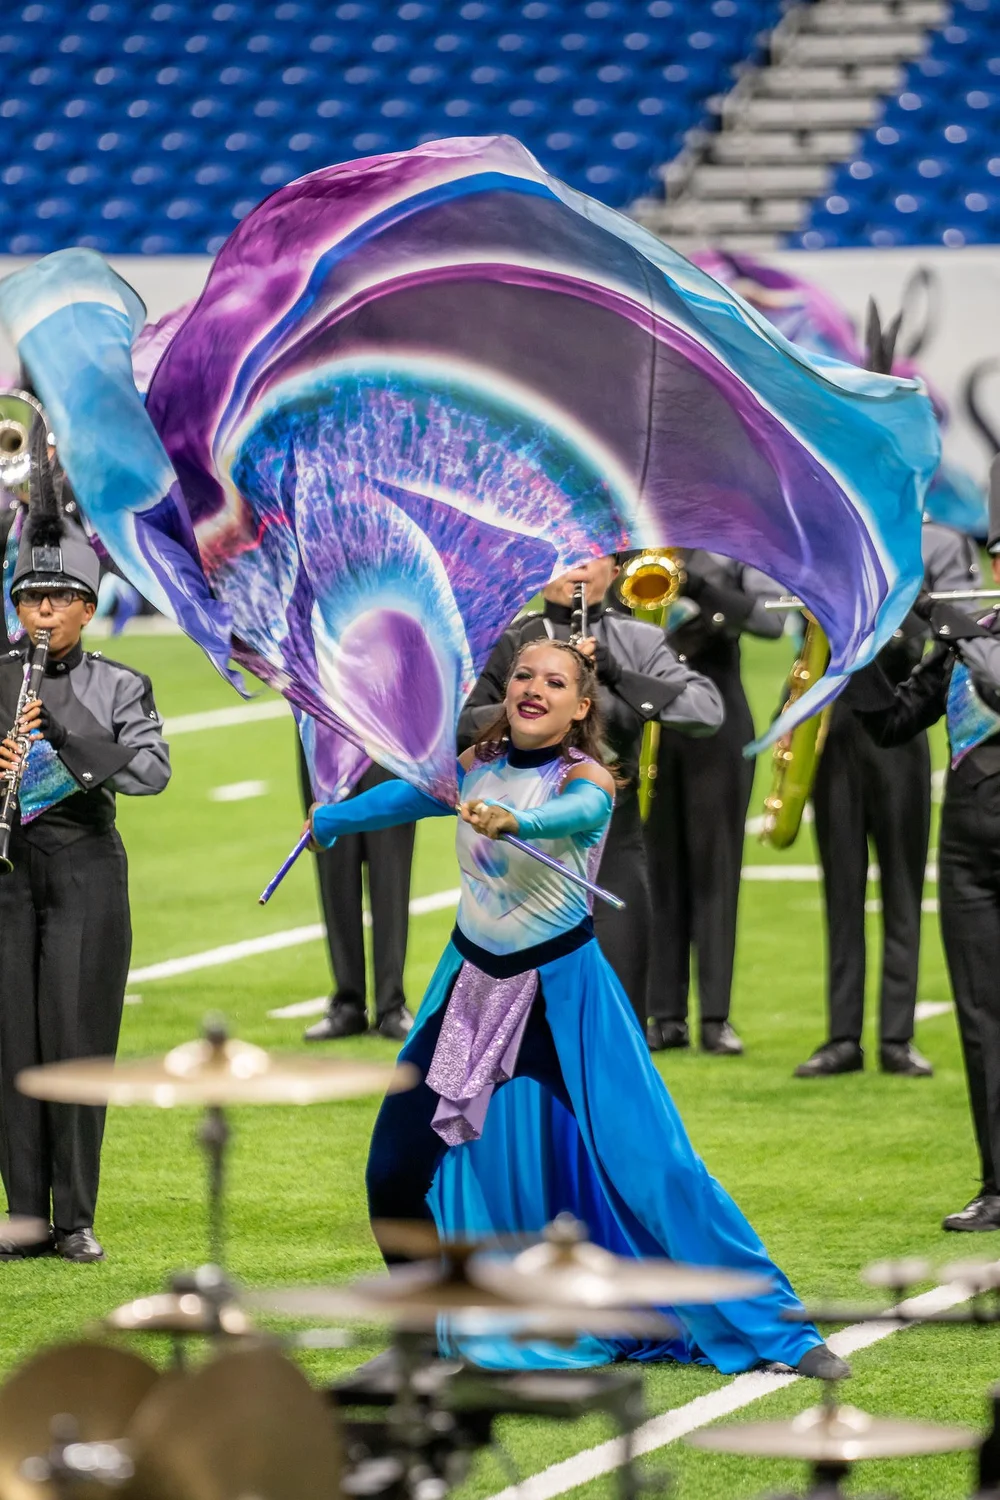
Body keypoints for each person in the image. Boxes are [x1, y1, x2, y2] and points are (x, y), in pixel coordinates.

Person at [309, 637, 846, 1378]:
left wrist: (516, 824)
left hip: (561, 1003)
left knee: (660, 1170)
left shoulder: (587, 776)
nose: (533, 688)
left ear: (580, 707)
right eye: (524, 675)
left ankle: (784, 1331)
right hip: (472, 997)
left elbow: (576, 814)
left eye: (554, 682)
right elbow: (413, 793)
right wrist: (337, 817)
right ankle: (422, 1333)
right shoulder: (477, 765)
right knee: (396, 1171)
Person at [0, 428, 170, 1261]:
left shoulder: (119, 684)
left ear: (87, 605)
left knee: (74, 1035)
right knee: (11, 1041)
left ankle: (75, 1217)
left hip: (85, 869)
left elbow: (149, 773)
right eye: (32, 597)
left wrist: (58, 742)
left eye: (61, 597)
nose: (45, 611)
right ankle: (25, 1213)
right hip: (7, 872)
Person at [458, 555, 723, 1028]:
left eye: (590, 553)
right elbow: (462, 723)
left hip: (611, 847)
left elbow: (707, 712)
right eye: (561, 553)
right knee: (520, 1031)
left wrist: (618, 675)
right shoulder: (514, 639)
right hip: (521, 856)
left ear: (615, 569)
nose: (576, 566)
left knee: (615, 1019)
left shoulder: (638, 638)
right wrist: (542, 695)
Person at [798, 519, 982, 1079]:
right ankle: (842, 1037)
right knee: (842, 886)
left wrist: (894, 610)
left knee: (902, 888)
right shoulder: (831, 538)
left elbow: (956, 629)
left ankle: (898, 1038)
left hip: (900, 727)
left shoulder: (940, 544)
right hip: (836, 729)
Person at [645, 551, 782, 1056]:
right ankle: (665, 1013)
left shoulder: (731, 553)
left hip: (718, 724)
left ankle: (716, 1017)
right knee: (658, 869)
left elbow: (770, 623)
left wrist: (699, 586)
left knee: (716, 867)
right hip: (654, 727)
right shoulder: (633, 554)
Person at [299, 751, 415, 1043]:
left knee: (391, 872)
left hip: (386, 731)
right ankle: (348, 1003)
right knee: (333, 868)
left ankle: (392, 1004)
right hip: (326, 732)